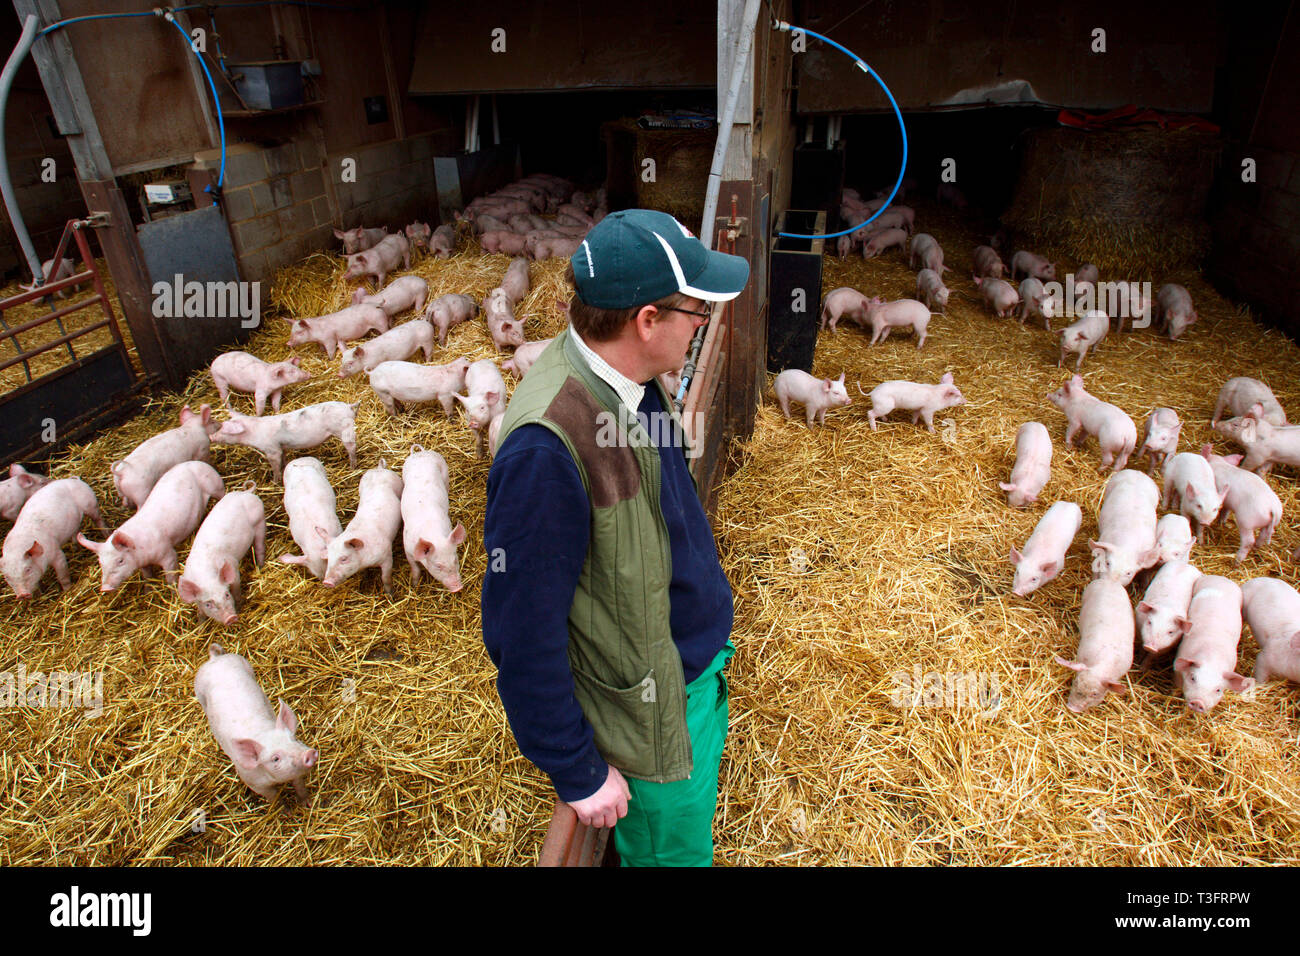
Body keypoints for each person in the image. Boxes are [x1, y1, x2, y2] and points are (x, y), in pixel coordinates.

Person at [481, 209, 749, 866]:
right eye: (696, 312)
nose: (700, 326)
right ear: (647, 321)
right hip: (653, 719)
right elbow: (520, 632)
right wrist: (576, 769)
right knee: (670, 854)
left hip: (682, 662)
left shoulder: (627, 380)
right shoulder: (546, 453)